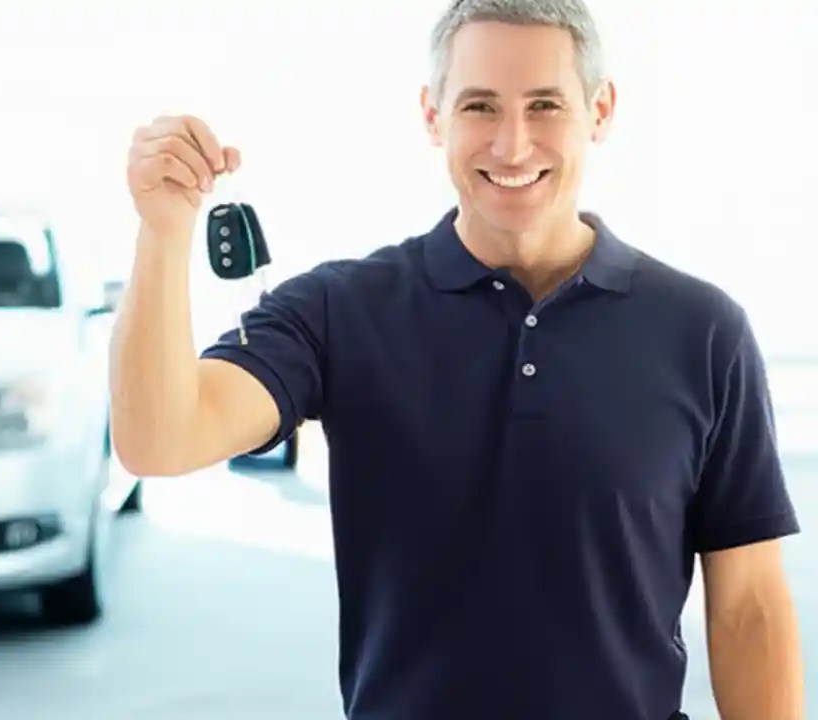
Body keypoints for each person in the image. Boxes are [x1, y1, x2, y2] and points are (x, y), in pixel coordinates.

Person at [109, 0, 805, 718]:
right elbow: (158, 440)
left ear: (600, 111)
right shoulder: (338, 311)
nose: (511, 145)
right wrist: (163, 234)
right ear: (432, 115)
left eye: (545, 106)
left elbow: (748, 606)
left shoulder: (703, 330)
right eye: (479, 106)